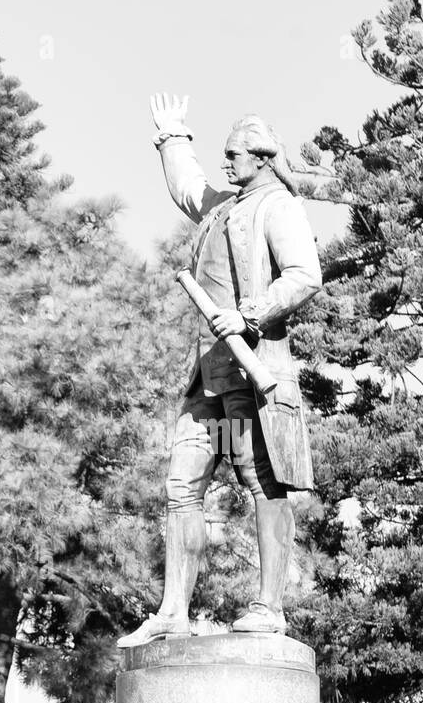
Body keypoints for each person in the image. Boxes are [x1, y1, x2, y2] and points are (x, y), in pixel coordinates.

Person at [118, 94, 322, 647]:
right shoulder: (220, 207)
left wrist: (250, 312)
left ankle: (270, 608)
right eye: (224, 154)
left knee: (262, 482)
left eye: (234, 154)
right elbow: (191, 185)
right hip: (206, 375)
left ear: (261, 157)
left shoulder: (277, 206)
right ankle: (172, 612)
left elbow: (305, 274)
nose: (227, 161)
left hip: (252, 371)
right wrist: (172, 136)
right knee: (181, 486)